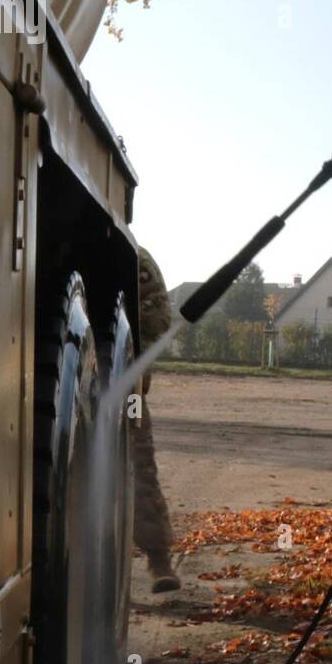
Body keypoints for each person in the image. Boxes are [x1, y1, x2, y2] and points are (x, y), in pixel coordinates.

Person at [135, 247, 181, 591]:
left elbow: (158, 316)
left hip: (121, 378)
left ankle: (159, 561)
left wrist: (140, 365)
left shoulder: (134, 258)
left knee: (140, 469)